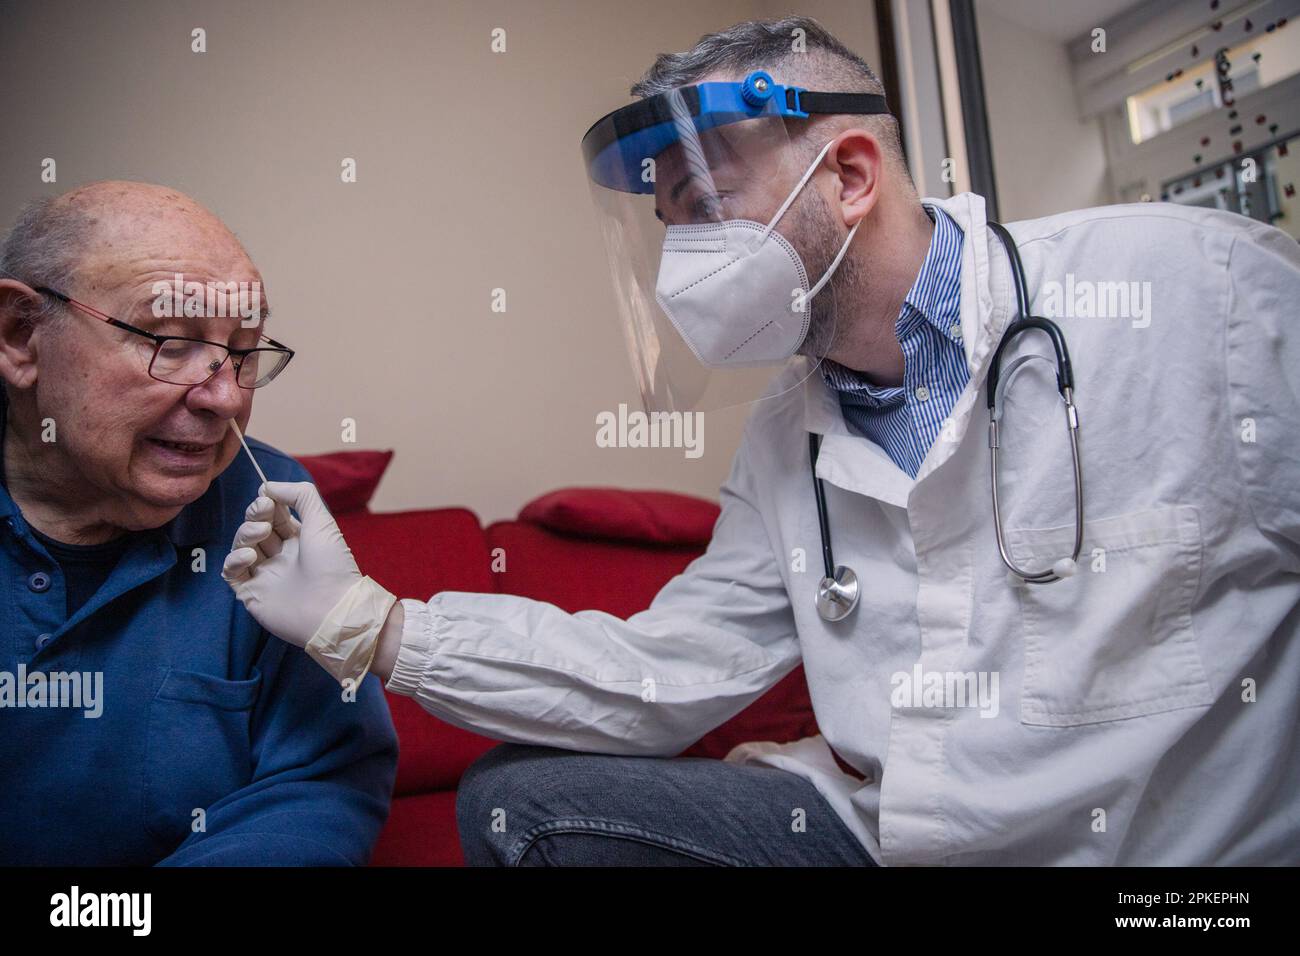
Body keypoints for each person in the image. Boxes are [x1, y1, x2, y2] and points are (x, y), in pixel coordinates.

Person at [224, 18, 1300, 865]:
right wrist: (373, 622)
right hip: (891, 835)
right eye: (667, 224)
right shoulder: (788, 431)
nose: (680, 260)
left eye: (705, 205)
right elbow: (664, 670)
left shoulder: (1189, 287)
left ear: (847, 175)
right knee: (519, 803)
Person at [0, 181, 397, 865]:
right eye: (170, 340)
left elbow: (322, 777)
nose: (224, 396)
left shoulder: (269, 501)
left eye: (243, 352)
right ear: (20, 335)